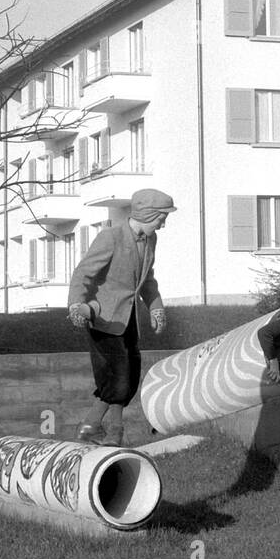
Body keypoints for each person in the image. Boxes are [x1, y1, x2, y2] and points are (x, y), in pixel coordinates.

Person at [67, 187, 175, 444]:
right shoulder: (110, 237)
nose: (164, 223)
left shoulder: (150, 240)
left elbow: (147, 279)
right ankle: (110, 430)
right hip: (103, 319)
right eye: (162, 217)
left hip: (129, 319)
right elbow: (83, 274)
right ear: (149, 214)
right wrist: (75, 306)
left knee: (129, 375)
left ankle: (97, 428)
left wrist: (156, 306)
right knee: (119, 376)